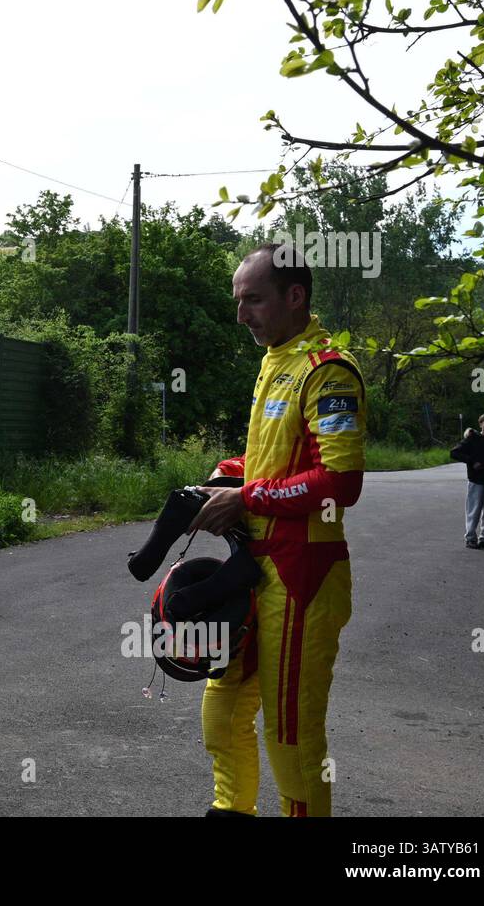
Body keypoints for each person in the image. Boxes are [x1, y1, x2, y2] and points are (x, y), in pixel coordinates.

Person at [189, 242, 366, 817]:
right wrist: (229, 475)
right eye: (238, 301)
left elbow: (340, 482)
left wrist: (249, 496)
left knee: (290, 735)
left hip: (303, 574)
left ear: (295, 296)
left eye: (254, 300)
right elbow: (278, 461)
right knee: (223, 710)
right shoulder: (275, 358)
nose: (241, 315)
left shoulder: (328, 370)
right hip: (255, 566)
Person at [450, 414, 484, 549]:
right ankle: (470, 537)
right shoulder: (472, 438)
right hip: (476, 479)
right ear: (480, 424)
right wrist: (472, 461)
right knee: (474, 509)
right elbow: (454, 453)